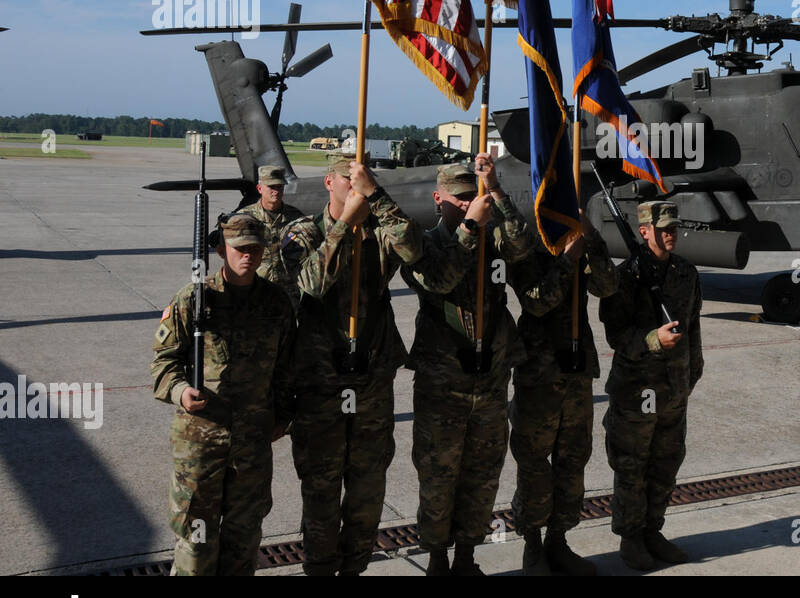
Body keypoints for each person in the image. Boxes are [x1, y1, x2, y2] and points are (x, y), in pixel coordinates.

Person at [279, 153, 423, 576]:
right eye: (349, 180)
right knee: (322, 486)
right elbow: (310, 284)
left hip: (371, 381)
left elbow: (414, 250)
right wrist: (344, 226)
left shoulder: (378, 232)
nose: (356, 187)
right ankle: (321, 569)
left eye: (364, 180)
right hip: (323, 383)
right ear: (329, 182)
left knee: (367, 485)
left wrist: (376, 199)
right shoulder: (302, 232)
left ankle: (355, 567)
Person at [399, 154, 533, 576]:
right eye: (457, 199)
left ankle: (467, 556)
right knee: (439, 476)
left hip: (490, 378)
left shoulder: (494, 238)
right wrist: (470, 227)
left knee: (483, 473)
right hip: (444, 381)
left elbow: (522, 243)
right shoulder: (425, 243)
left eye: (470, 198)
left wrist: (494, 189)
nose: (464, 204)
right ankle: (437, 556)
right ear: (438, 198)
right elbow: (439, 279)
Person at [151, 212, 296, 576]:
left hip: (251, 443)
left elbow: (288, 366)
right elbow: (164, 362)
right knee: (196, 542)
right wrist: (181, 392)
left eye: (255, 248)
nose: (248, 255)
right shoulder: (195, 299)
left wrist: (284, 415)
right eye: (240, 248)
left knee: (243, 539)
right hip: (201, 442)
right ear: (221, 250)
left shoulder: (276, 303)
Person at [508, 210, 618, 575]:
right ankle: (532, 544)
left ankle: (559, 538)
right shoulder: (526, 250)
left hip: (576, 369)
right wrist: (568, 260)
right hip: (539, 373)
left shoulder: (578, 241)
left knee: (573, 460)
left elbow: (607, 286)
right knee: (535, 461)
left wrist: (591, 237)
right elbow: (537, 301)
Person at [599, 201, 703, 571]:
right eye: (663, 229)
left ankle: (653, 530)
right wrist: (653, 340)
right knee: (632, 467)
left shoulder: (686, 273)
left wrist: (692, 373)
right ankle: (630, 538)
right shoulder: (627, 276)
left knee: (666, 464)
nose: (670, 234)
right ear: (644, 232)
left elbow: (692, 327)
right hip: (637, 389)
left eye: (674, 227)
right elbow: (616, 335)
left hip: (674, 389)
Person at [237, 164, 305, 305]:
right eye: (271, 187)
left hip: (289, 296)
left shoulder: (296, 217)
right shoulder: (244, 218)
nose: (276, 191)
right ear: (260, 189)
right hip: (256, 294)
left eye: (279, 187)